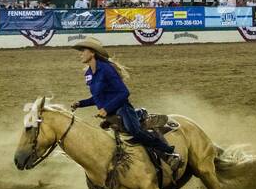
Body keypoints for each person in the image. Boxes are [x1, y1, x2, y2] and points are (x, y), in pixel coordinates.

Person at [69, 37, 181, 166]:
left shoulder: (106, 69)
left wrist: (106, 109)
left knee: (136, 132)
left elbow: (124, 93)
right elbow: (99, 97)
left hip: (122, 109)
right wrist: (80, 103)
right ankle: (138, 114)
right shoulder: (89, 74)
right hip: (111, 115)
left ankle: (169, 153)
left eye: (83, 50)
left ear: (92, 53)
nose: (80, 54)